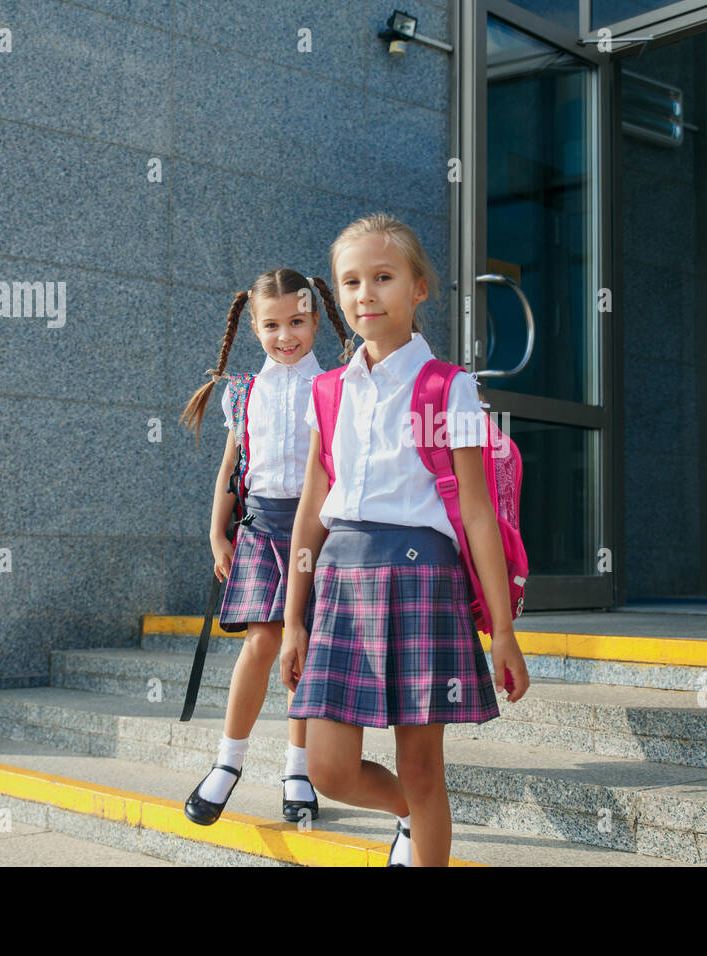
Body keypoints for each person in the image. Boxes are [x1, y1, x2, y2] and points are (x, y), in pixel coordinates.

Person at [281, 214, 530, 867]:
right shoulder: (327, 391)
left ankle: (421, 819)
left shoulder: (451, 388)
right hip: (339, 581)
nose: (366, 293)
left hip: (422, 581)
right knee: (330, 771)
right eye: (351, 281)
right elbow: (311, 507)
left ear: (419, 288)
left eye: (383, 277)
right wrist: (292, 621)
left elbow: (476, 513)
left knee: (422, 771)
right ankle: (409, 818)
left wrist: (501, 630)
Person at [178, 268, 352, 826]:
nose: (286, 335)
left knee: (303, 652)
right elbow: (232, 466)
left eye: (297, 322)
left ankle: (297, 767)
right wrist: (216, 533)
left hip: (316, 529)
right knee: (262, 641)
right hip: (258, 526)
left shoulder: (334, 387)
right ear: (253, 326)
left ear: (317, 320)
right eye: (272, 324)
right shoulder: (243, 392)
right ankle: (227, 763)